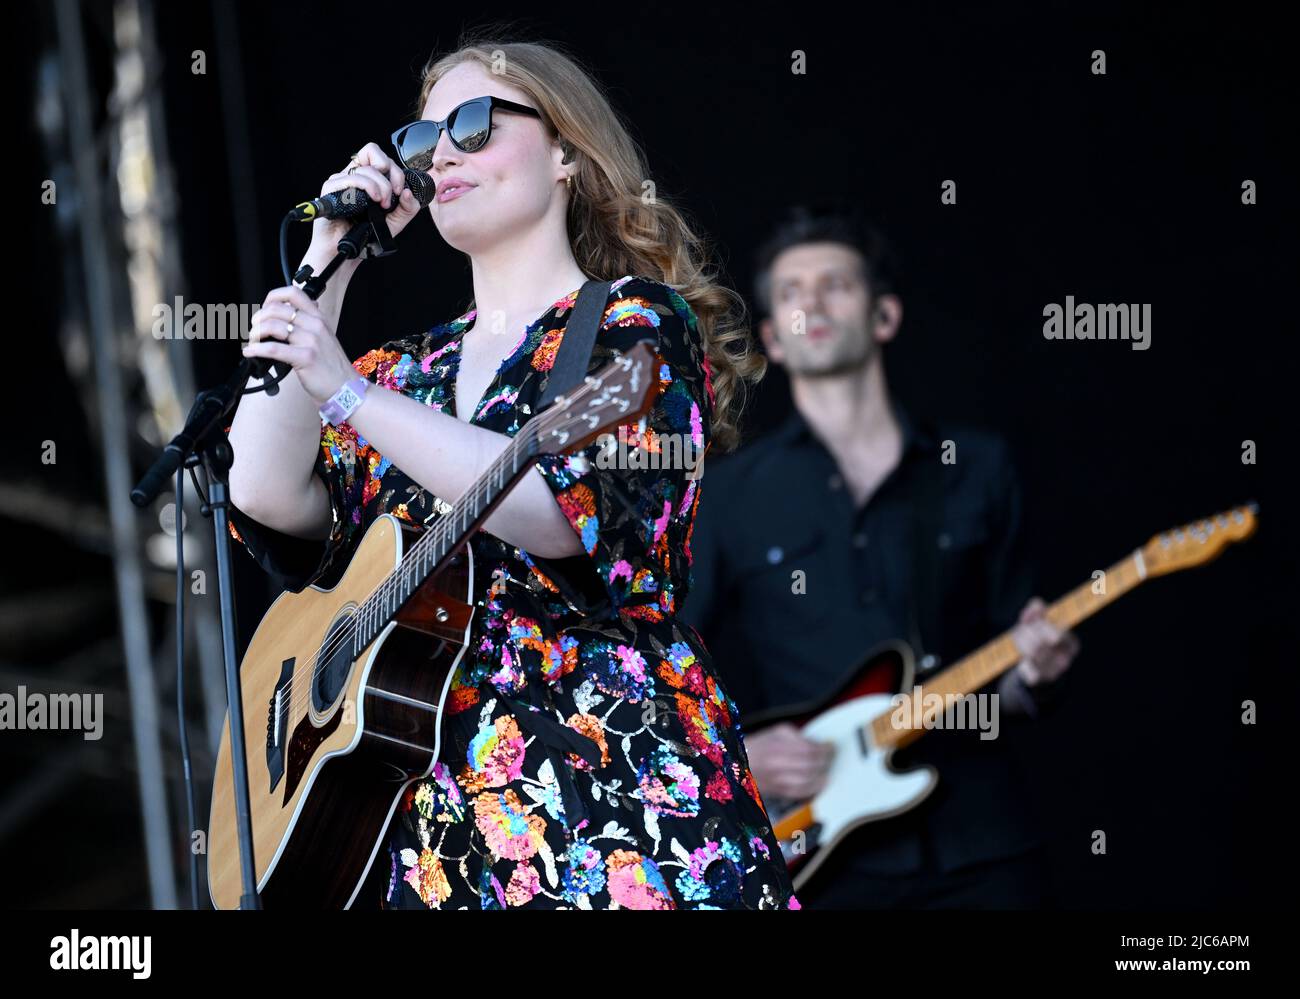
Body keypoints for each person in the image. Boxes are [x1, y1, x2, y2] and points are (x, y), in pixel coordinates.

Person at [224, 34, 797, 910]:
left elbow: (562, 515)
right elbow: (263, 491)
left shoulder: (637, 325)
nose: (442, 153)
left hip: (609, 803)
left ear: (565, 151)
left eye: (475, 124)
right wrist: (328, 260)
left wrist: (342, 394)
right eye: (422, 142)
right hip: (430, 841)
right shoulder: (397, 373)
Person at [680, 205, 1080, 909]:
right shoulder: (732, 494)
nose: (814, 302)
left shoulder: (977, 467)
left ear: (884, 316)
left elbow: (1018, 671)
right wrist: (739, 752)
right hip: (823, 855)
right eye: (793, 292)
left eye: (836, 284)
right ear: (772, 335)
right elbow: (669, 664)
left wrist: (1036, 673)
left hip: (982, 843)